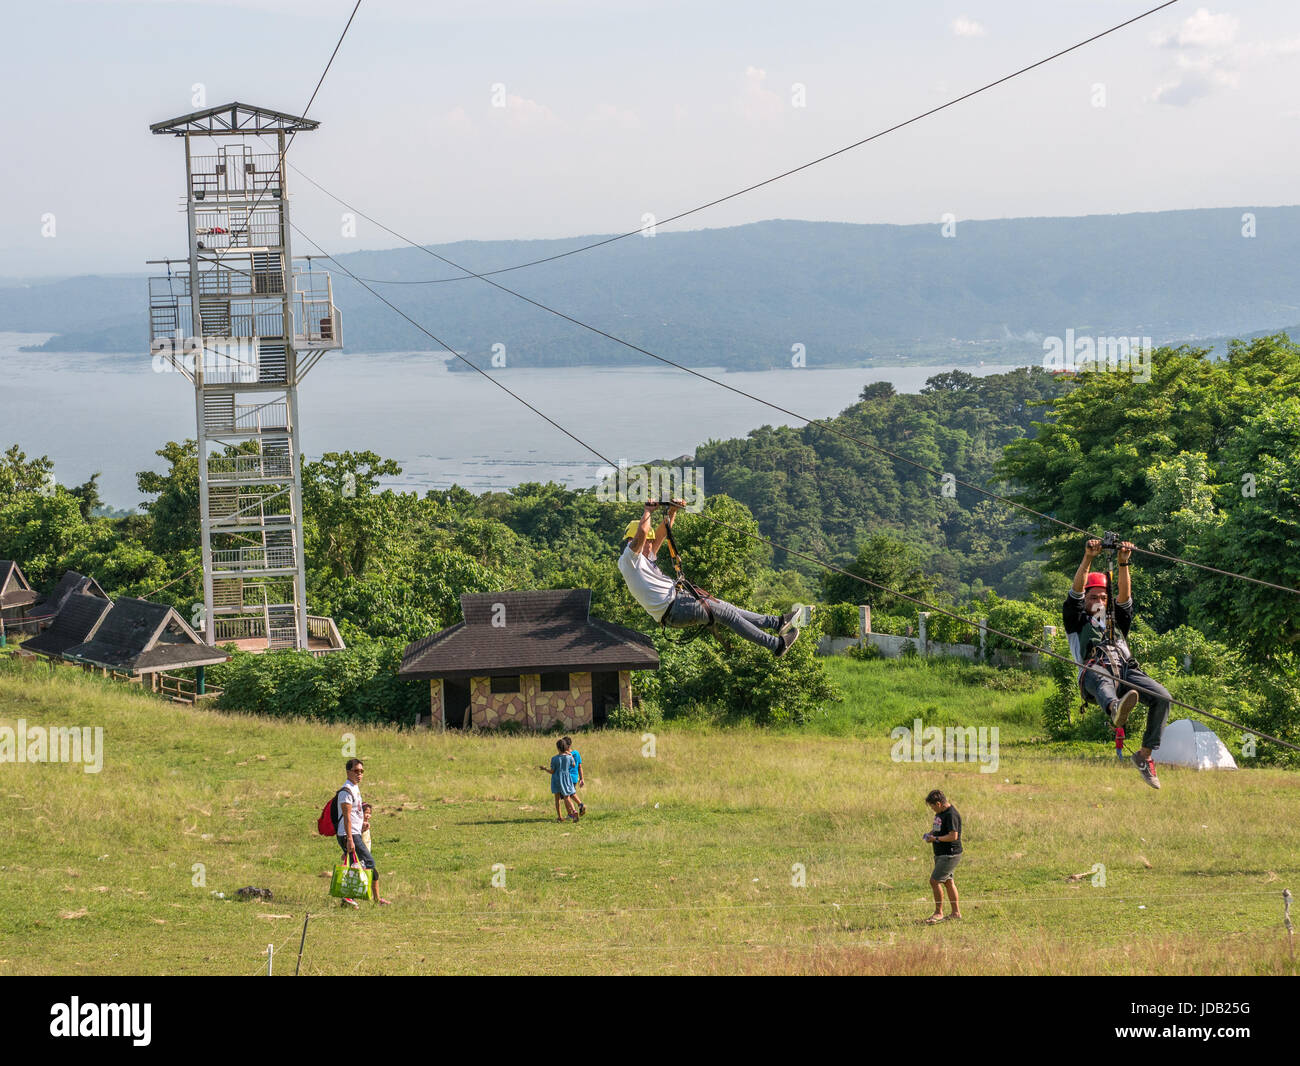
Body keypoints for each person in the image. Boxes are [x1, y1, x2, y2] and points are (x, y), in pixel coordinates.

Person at [617, 498, 800, 656]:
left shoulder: (646, 558)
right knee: (728, 615)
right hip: (674, 609)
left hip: (677, 604)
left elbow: (663, 533)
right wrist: (647, 511)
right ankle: (776, 645)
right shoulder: (629, 560)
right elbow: (642, 534)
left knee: (727, 608)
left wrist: (672, 511)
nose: (650, 544)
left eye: (650, 541)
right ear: (631, 540)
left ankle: (777, 622)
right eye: (647, 541)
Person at [1064, 538, 1171, 789]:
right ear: (1086, 599)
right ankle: (1115, 708)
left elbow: (1124, 595)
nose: (1099, 601)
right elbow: (1076, 591)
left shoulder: (1117, 618)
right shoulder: (1076, 618)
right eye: (1094, 597)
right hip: (1095, 669)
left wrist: (1123, 563)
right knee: (1101, 679)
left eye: (1103, 596)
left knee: (1162, 697)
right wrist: (1088, 557)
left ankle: (1144, 755)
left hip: (1126, 669)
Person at [336, 757, 390, 906]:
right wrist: (350, 840)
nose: (359, 774)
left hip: (355, 833)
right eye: (356, 771)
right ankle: (348, 895)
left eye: (361, 772)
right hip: (349, 835)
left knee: (363, 865)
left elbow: (355, 815)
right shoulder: (346, 791)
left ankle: (374, 899)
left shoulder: (355, 788)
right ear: (348, 772)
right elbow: (347, 818)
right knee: (368, 863)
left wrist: (361, 826)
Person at [922, 789, 962, 924]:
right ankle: (956, 913)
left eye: (932, 806)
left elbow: (953, 836)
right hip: (941, 854)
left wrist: (936, 839)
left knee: (934, 881)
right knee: (948, 881)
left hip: (949, 854)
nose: (932, 809)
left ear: (938, 803)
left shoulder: (951, 815)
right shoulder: (941, 813)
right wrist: (930, 835)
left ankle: (938, 913)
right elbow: (938, 828)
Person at [539, 740, 579, 822]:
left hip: (557, 780)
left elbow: (552, 771)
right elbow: (574, 765)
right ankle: (574, 811)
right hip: (567, 779)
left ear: (558, 748)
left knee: (557, 799)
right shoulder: (569, 757)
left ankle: (560, 817)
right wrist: (571, 755)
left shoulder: (554, 758)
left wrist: (544, 769)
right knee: (567, 797)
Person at [562, 736, 585, 817]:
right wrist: (582, 778)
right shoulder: (577, 753)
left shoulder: (564, 756)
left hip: (567, 778)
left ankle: (571, 813)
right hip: (575, 777)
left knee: (566, 796)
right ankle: (579, 805)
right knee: (571, 794)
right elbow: (579, 766)